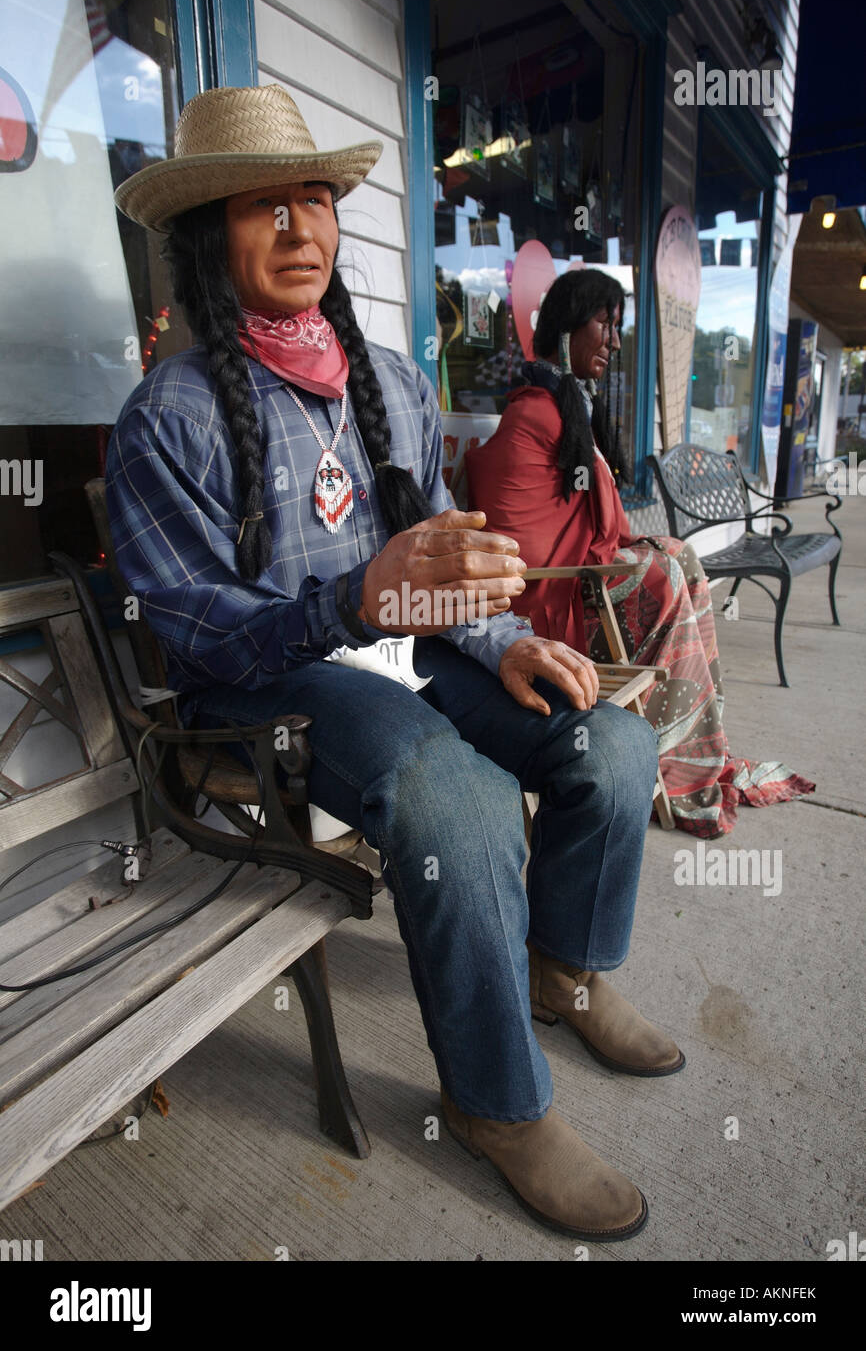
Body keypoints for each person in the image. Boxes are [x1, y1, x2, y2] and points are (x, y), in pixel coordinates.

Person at [106, 85, 684, 1242]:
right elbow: (199, 635)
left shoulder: (393, 384)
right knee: (456, 795)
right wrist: (347, 599)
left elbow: (438, 575)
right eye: (261, 207)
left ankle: (557, 974)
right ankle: (494, 1103)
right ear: (205, 236)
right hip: (265, 690)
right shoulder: (164, 417)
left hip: (404, 657)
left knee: (608, 741)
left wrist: (500, 637)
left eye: (312, 199)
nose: (299, 230)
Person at [465, 269, 814, 837]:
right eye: (605, 322)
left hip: (575, 581)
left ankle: (697, 750)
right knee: (662, 575)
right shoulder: (534, 414)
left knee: (681, 560)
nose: (617, 341)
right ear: (566, 328)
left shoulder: (563, 403)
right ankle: (675, 766)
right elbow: (524, 548)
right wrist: (632, 557)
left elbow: (590, 519)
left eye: (619, 326)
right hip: (545, 603)